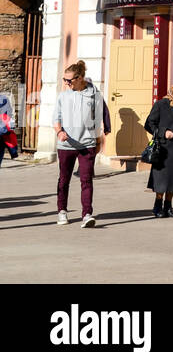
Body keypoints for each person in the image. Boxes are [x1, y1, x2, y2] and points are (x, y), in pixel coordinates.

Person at [52, 60, 106, 227]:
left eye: (70, 80)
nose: (67, 83)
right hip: (66, 145)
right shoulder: (63, 96)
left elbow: (98, 120)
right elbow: (56, 118)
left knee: (86, 180)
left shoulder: (94, 94)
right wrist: (60, 132)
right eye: (65, 80)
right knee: (64, 179)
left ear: (81, 77)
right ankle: (62, 211)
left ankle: (87, 214)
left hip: (86, 144)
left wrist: (97, 141)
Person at [143, 81, 173, 217]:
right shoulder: (161, 104)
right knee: (161, 178)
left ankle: (168, 206)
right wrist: (163, 132)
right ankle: (157, 206)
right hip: (163, 148)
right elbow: (149, 124)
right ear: (172, 92)